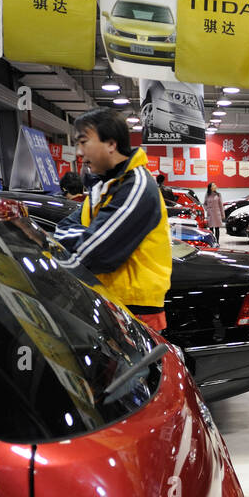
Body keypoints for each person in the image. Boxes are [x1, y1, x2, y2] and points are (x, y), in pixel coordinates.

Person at [56, 108, 173, 333]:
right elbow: (62, 229)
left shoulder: (136, 186)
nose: (79, 152)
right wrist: (83, 237)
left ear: (111, 144)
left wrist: (79, 240)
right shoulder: (105, 186)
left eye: (84, 142)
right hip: (110, 302)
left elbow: (95, 252)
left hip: (134, 311)